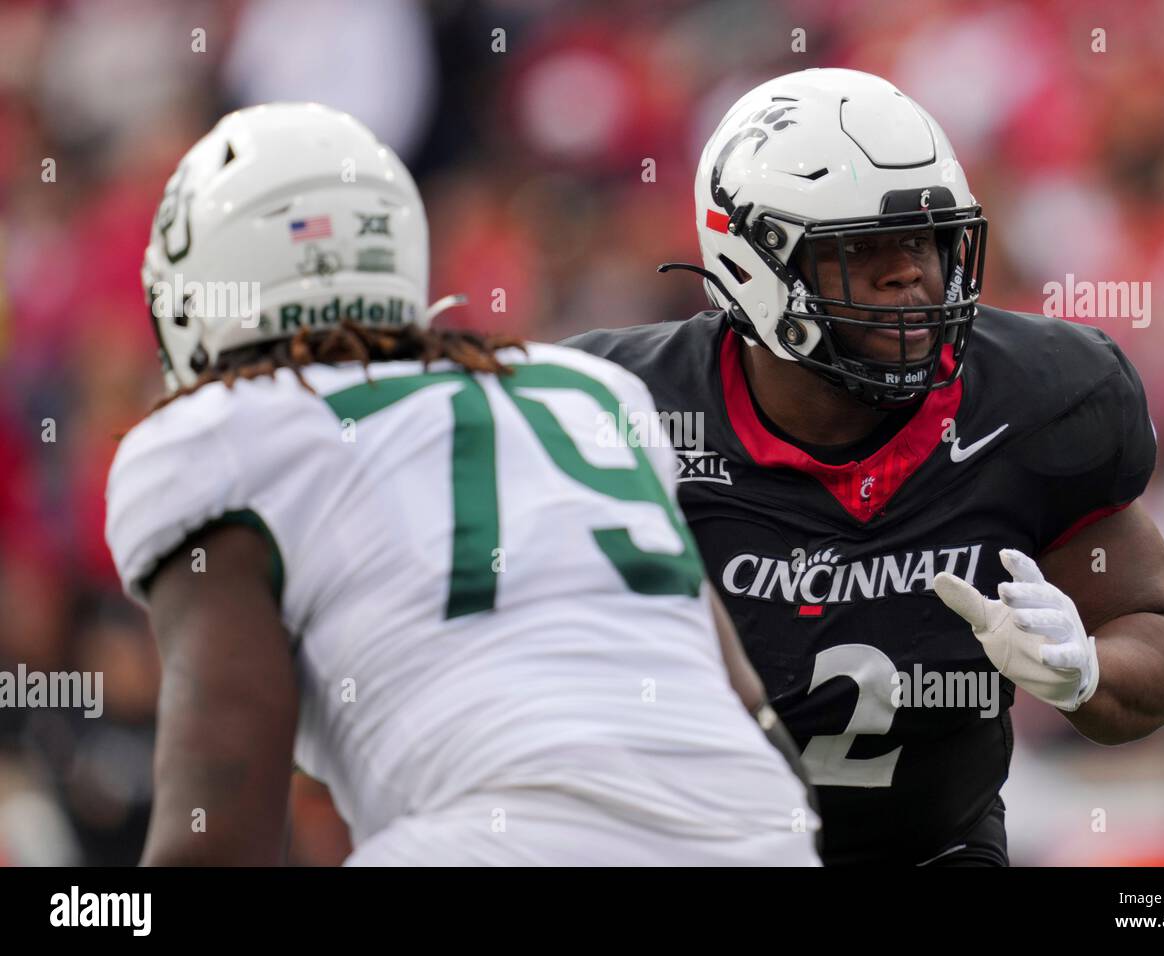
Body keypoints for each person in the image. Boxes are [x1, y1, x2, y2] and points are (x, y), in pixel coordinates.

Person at [106, 103, 820, 866]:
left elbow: (216, 842)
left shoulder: (220, 436)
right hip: (756, 834)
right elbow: (752, 716)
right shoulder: (583, 391)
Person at [565, 69, 1164, 866]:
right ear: (753, 263)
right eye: (862, 249)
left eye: (927, 239)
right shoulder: (616, 413)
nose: (912, 273)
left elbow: (1163, 645)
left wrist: (1085, 671)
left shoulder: (1037, 401)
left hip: (935, 851)